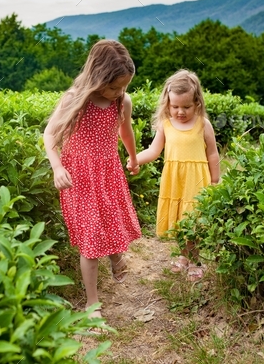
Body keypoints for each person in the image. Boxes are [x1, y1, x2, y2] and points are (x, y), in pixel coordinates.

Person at [43, 40, 141, 325]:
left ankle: (116, 259)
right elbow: (50, 135)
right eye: (112, 88)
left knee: (109, 221)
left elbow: (126, 132)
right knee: (90, 240)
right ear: (97, 77)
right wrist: (57, 166)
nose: (117, 93)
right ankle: (92, 302)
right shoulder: (75, 99)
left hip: (108, 173)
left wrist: (133, 158)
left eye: (122, 87)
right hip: (80, 178)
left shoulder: (122, 101)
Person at [131, 69, 220, 281]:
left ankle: (195, 260)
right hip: (175, 180)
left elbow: (212, 152)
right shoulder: (166, 125)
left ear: (197, 103)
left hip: (196, 181)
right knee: (180, 221)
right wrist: (135, 160)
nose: (180, 111)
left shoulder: (202, 124)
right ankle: (183, 255)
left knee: (194, 221)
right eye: (175, 106)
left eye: (186, 106)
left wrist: (215, 180)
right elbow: (154, 151)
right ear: (167, 104)